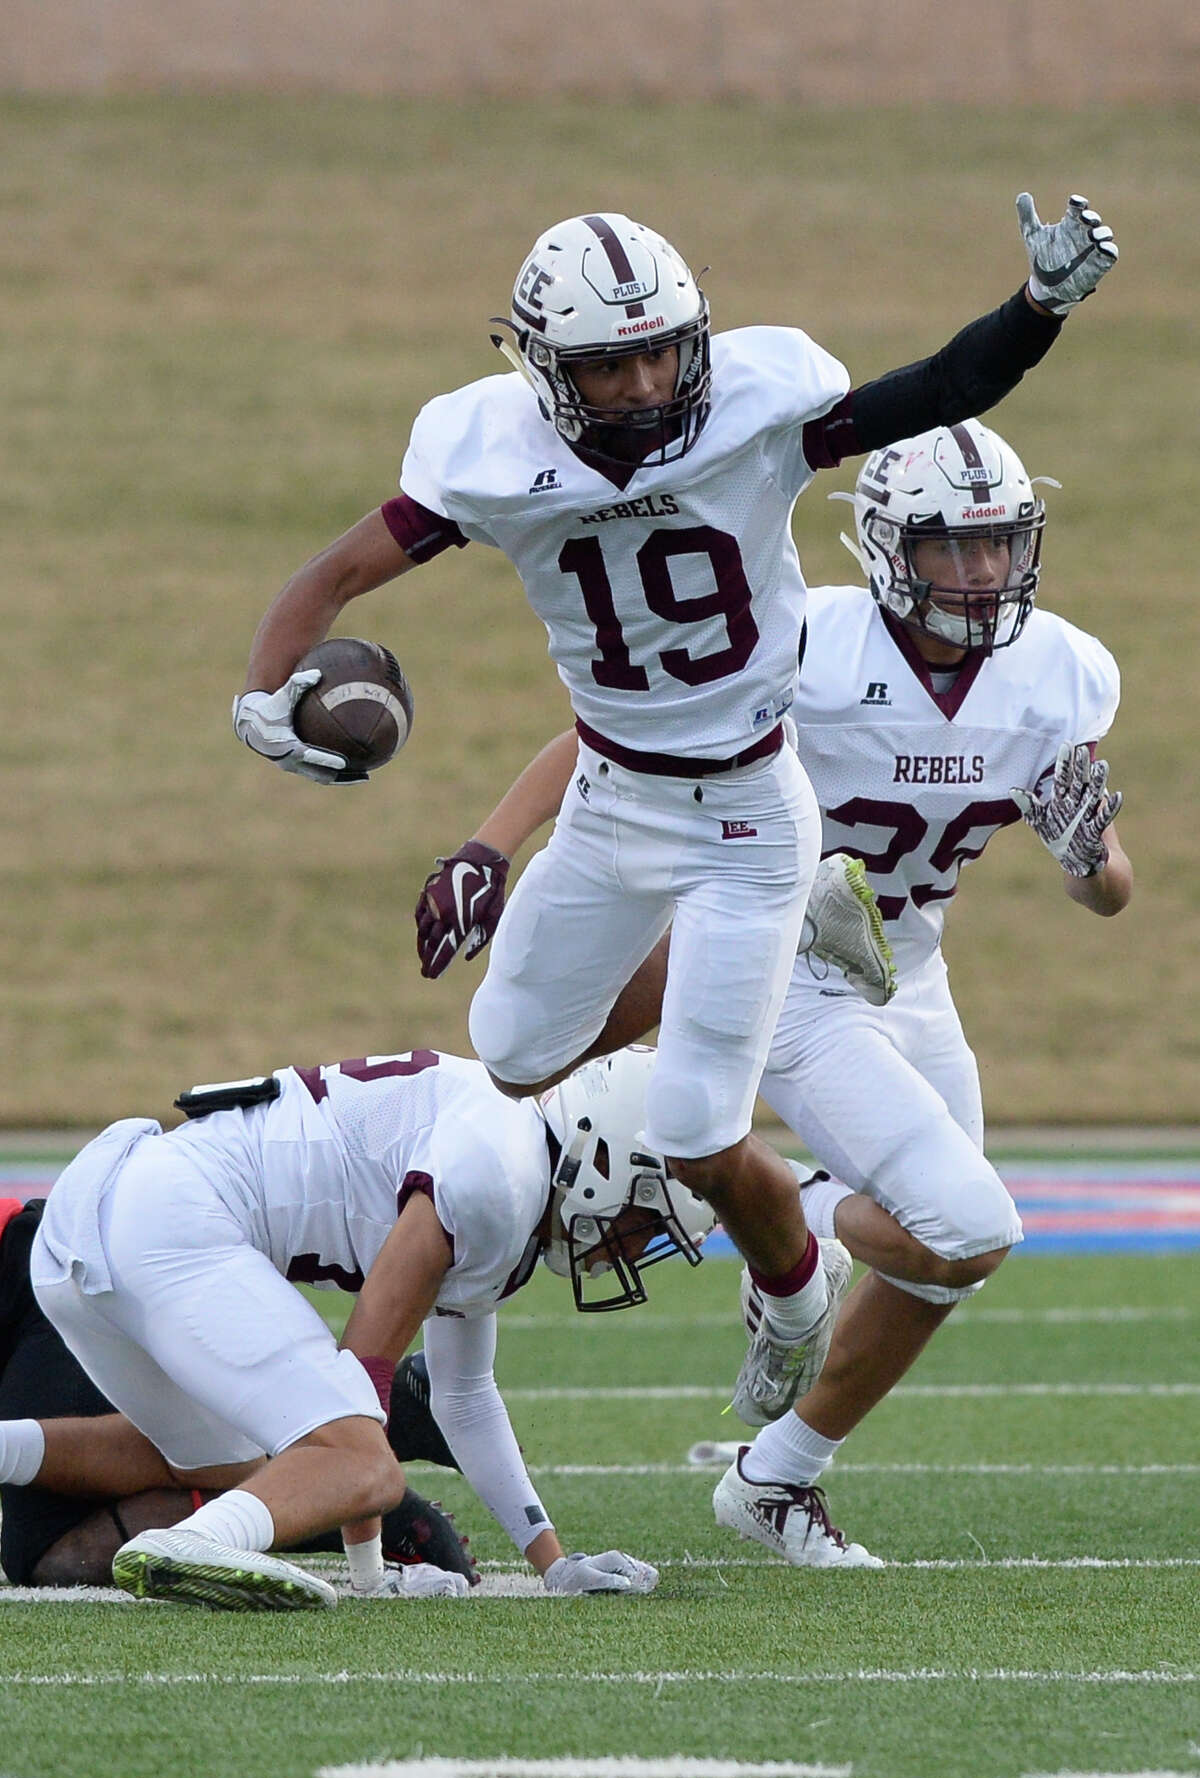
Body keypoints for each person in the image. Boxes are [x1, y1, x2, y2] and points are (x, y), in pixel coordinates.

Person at [234, 195, 1119, 1432]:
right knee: (516, 1051)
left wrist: (1038, 312)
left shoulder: (757, 412)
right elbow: (333, 576)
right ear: (543, 369)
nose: (649, 382)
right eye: (611, 362)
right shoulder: (493, 453)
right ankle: (788, 989)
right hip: (610, 794)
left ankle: (796, 1290)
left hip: (756, 812)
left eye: (663, 349)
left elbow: (931, 387)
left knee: (702, 1124)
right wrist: (265, 693)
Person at [410, 418, 1132, 1567]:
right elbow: (619, 742)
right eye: (954, 546)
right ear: (892, 550)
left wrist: (1088, 855)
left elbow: (1110, 894)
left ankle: (776, 1478)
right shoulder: (809, 642)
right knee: (973, 1224)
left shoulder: (1062, 672)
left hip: (909, 966)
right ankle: (767, 1220)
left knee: (940, 1259)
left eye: (1000, 544)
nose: (984, 572)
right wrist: (492, 846)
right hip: (785, 958)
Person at [28, 1045, 713, 1609]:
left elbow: (465, 1397)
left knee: (224, 1459)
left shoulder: (509, 1164)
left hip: (92, 1222)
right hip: (175, 1218)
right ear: (603, 1160)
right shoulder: (498, 1181)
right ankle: (194, 1541)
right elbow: (364, 1376)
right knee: (358, 1461)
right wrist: (368, 1570)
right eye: (643, 1220)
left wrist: (554, 1563)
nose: (630, 1249)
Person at [0, 1191, 471, 1588]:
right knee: (173, 1458)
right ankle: (356, 1449)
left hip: (46, 1277)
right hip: (85, 1247)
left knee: (52, 1555)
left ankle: (347, 1476)